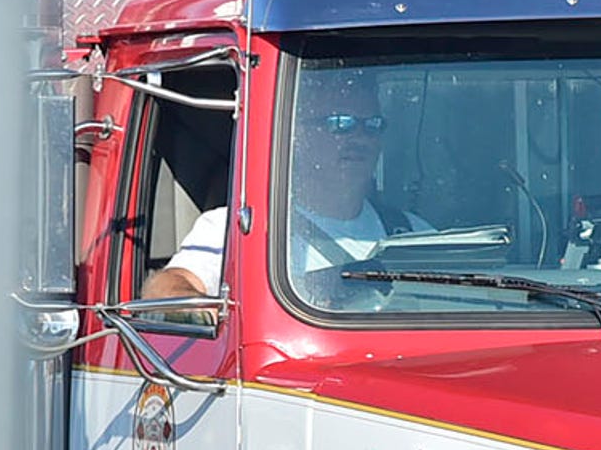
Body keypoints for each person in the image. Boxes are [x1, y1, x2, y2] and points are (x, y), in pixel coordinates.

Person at [146, 71, 428, 299]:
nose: (360, 137)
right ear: (299, 135)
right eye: (340, 124)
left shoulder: (413, 233)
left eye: (372, 125)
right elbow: (164, 289)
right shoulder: (240, 225)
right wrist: (203, 313)